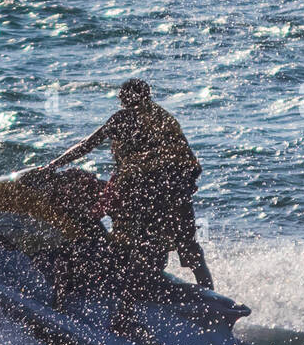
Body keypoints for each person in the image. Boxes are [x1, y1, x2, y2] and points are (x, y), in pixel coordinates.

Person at [42, 79, 214, 290]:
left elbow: (86, 145)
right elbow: (184, 162)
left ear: (125, 99)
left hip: (148, 195)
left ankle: (130, 306)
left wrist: (54, 165)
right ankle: (210, 295)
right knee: (187, 246)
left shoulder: (122, 119)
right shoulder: (164, 118)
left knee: (139, 247)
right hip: (176, 192)